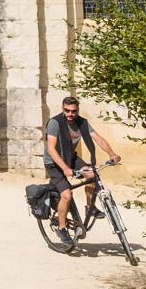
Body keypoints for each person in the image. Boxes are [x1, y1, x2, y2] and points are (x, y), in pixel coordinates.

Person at [45, 95, 120, 241]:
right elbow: (51, 149)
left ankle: (89, 208)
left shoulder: (82, 122)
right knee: (66, 195)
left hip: (70, 157)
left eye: (73, 111)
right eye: (67, 111)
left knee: (92, 174)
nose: (70, 114)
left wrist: (112, 153)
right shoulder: (55, 123)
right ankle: (61, 228)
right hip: (54, 162)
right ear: (62, 109)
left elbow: (98, 138)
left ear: (78, 110)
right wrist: (65, 168)